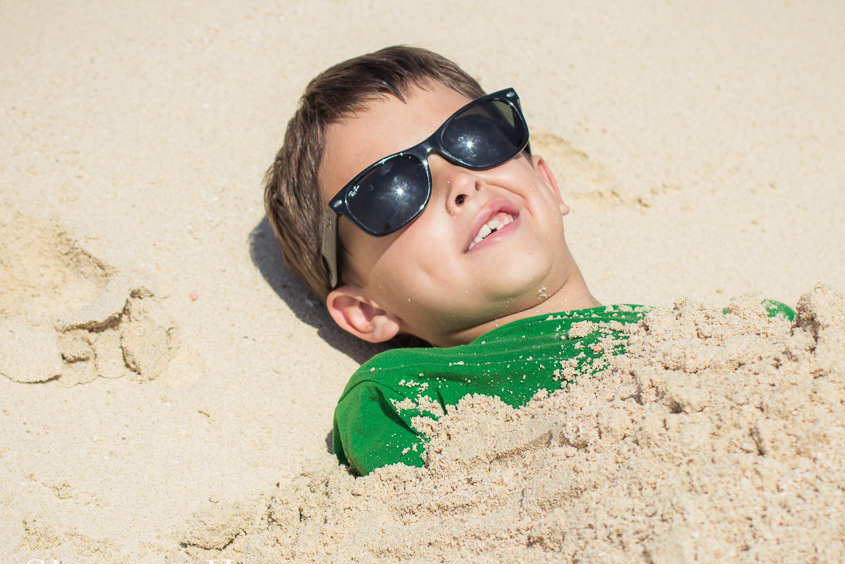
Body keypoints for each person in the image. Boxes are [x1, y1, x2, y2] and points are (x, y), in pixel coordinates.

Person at [264, 45, 793, 475]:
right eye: (393, 189)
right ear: (365, 311)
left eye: (475, 136)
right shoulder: (404, 395)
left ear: (547, 182)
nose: (462, 181)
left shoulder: (728, 336)